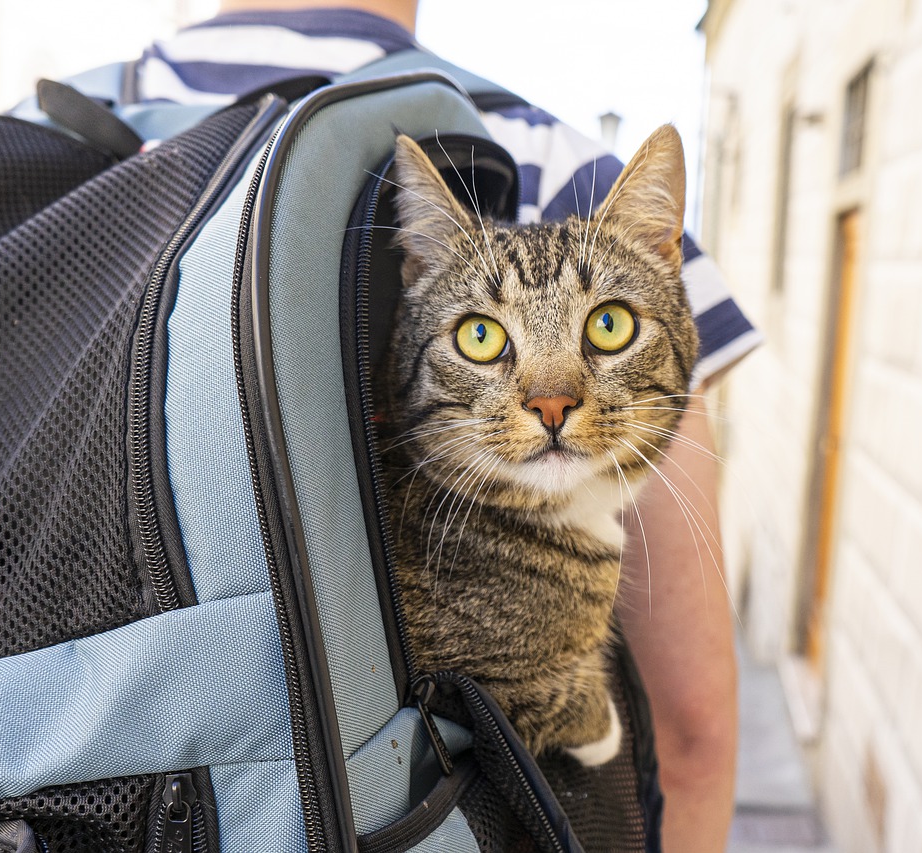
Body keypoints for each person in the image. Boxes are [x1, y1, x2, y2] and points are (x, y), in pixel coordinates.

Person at [130, 2, 759, 849]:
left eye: (604, 329)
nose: (551, 396)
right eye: (483, 338)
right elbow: (694, 730)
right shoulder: (547, 152)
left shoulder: (85, 130)